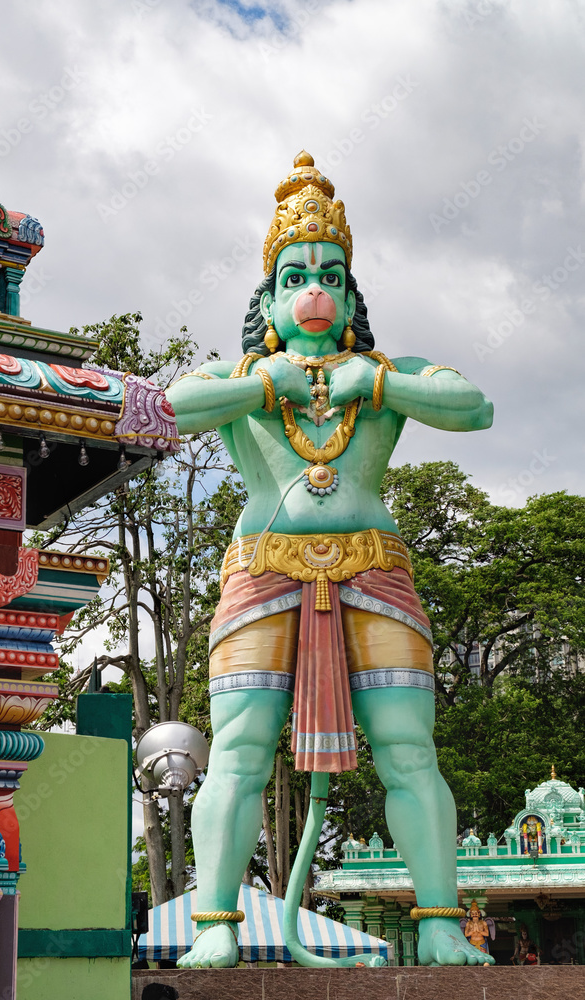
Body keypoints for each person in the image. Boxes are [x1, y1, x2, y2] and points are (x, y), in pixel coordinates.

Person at [166, 152, 494, 969]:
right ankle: (214, 925)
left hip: (373, 568)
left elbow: (473, 406)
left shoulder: (388, 375)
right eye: (295, 276)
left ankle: (440, 922)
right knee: (239, 748)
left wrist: (370, 387)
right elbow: (163, 408)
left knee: (408, 747)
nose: (314, 288)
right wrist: (262, 383)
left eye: (331, 276)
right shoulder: (242, 377)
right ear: (270, 300)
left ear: (349, 298)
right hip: (263, 568)